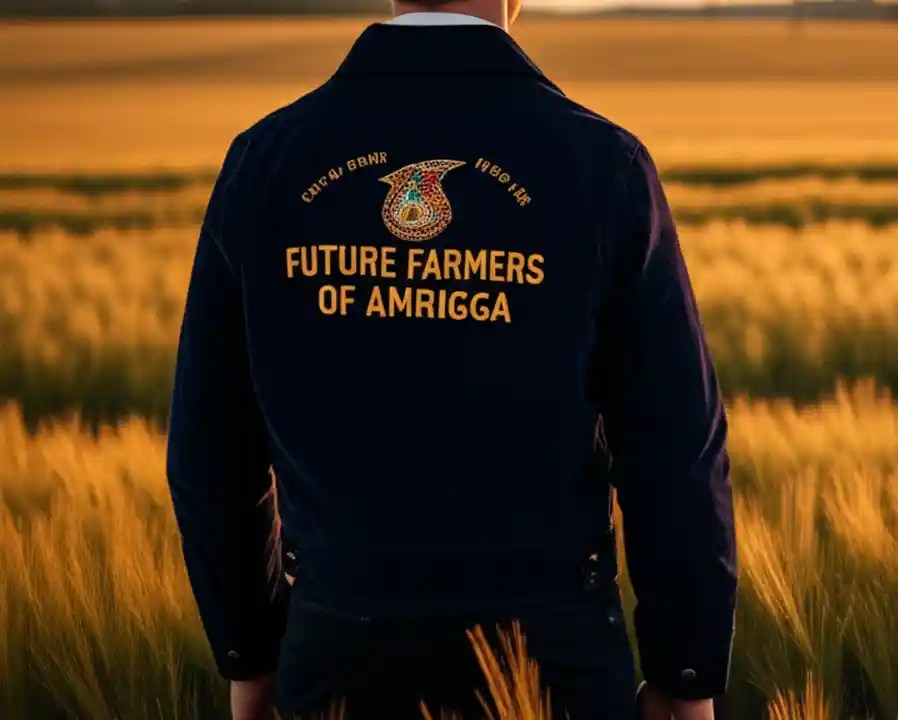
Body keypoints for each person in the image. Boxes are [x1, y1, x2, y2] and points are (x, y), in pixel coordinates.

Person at [164, 1, 737, 718]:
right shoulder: (602, 163)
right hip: (557, 655)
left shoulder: (267, 159)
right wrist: (686, 674)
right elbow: (676, 447)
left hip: (336, 646)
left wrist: (248, 655)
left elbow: (209, 452)